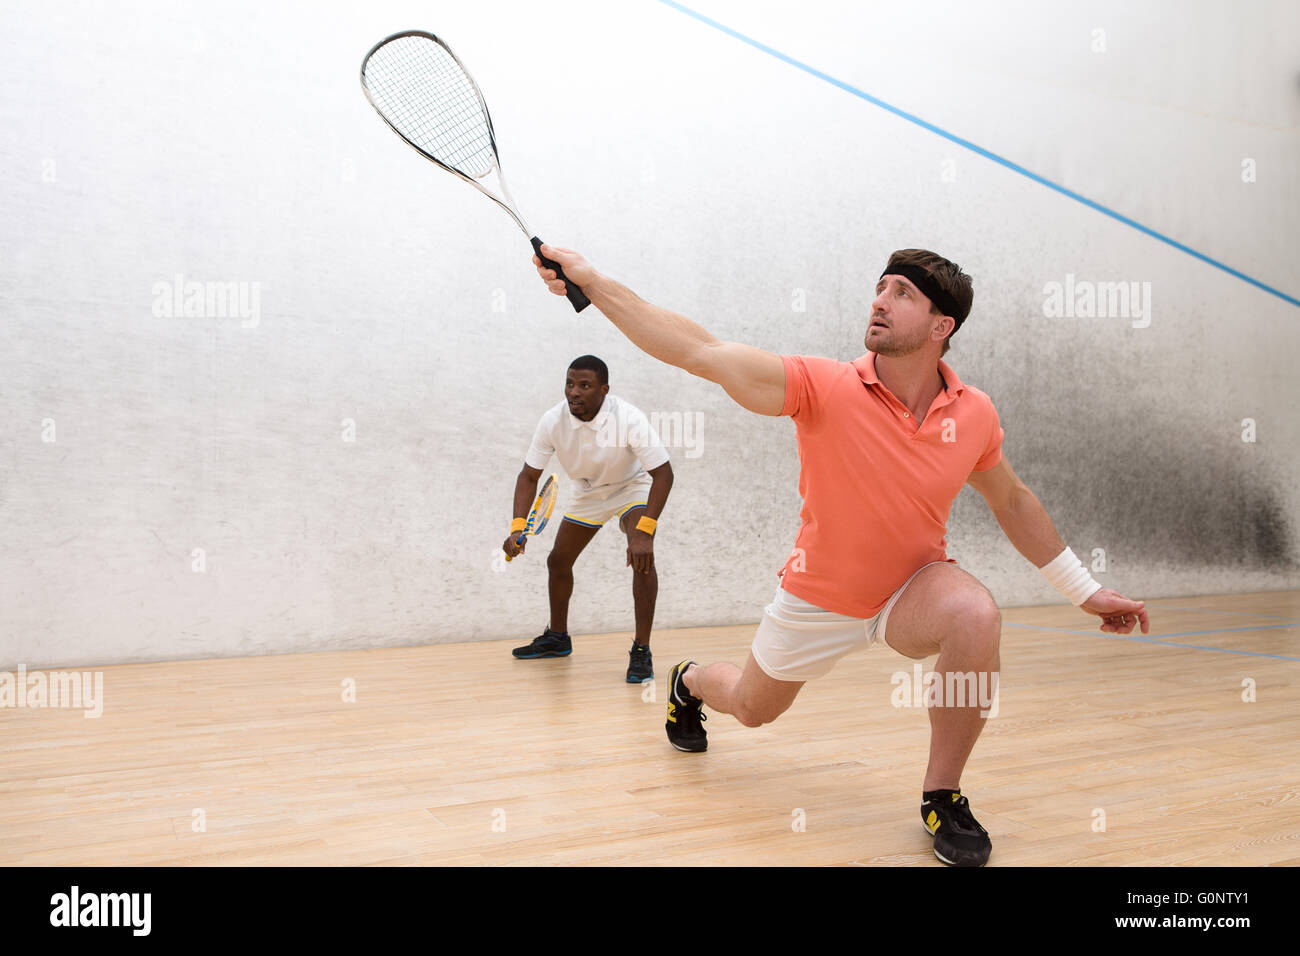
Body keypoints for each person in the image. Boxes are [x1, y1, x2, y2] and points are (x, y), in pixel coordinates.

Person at [532, 247, 1150, 867]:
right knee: (752, 707)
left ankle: (943, 795)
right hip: (817, 596)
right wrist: (592, 281)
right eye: (880, 287)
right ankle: (688, 680)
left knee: (976, 615)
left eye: (902, 293)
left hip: (911, 590)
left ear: (943, 327)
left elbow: (1012, 500)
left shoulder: (974, 413)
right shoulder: (821, 385)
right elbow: (698, 351)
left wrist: (1085, 591)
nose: (880, 300)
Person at [505, 355, 674, 683]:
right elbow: (528, 477)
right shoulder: (553, 421)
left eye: (585, 385)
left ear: (604, 390)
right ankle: (558, 637)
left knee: (642, 558)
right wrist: (516, 528)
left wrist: (645, 532)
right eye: (570, 383)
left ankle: (641, 649)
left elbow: (664, 475)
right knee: (558, 561)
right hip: (588, 493)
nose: (574, 392)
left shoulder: (628, 418)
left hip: (632, 488)